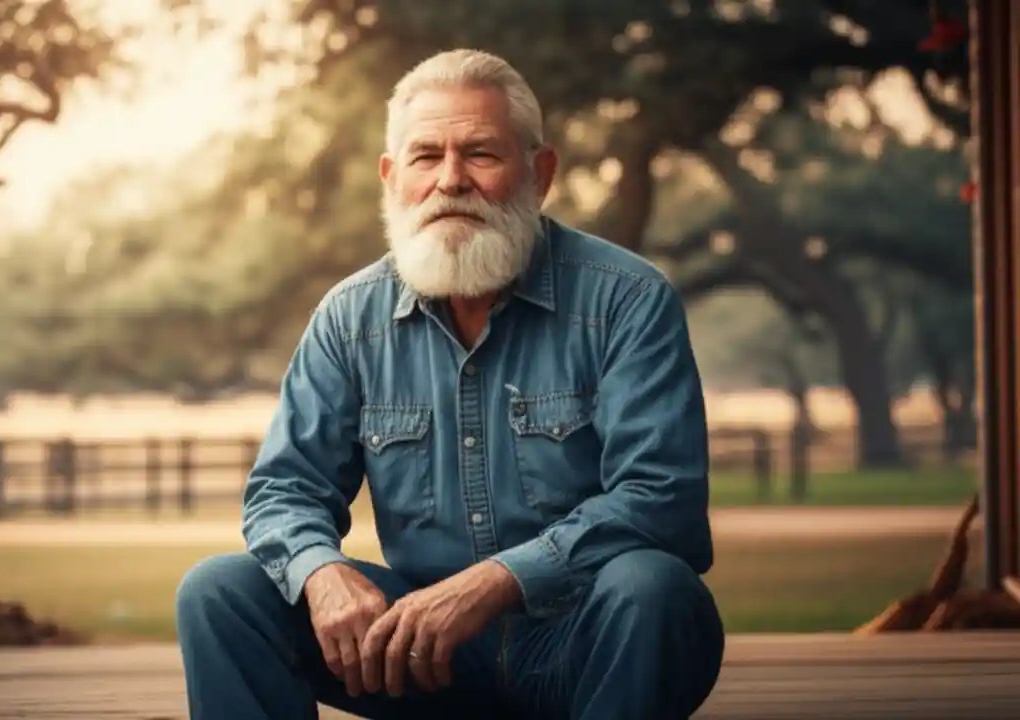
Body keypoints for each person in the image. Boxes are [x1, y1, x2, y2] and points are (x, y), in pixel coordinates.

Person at [176, 48, 724, 720]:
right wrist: (321, 571)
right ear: (392, 177)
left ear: (540, 172)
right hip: (421, 659)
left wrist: (498, 581)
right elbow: (284, 490)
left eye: (482, 154)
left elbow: (661, 501)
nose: (450, 180)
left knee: (654, 585)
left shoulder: (627, 300)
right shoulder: (350, 318)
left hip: (588, 644)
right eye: (426, 156)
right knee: (220, 590)